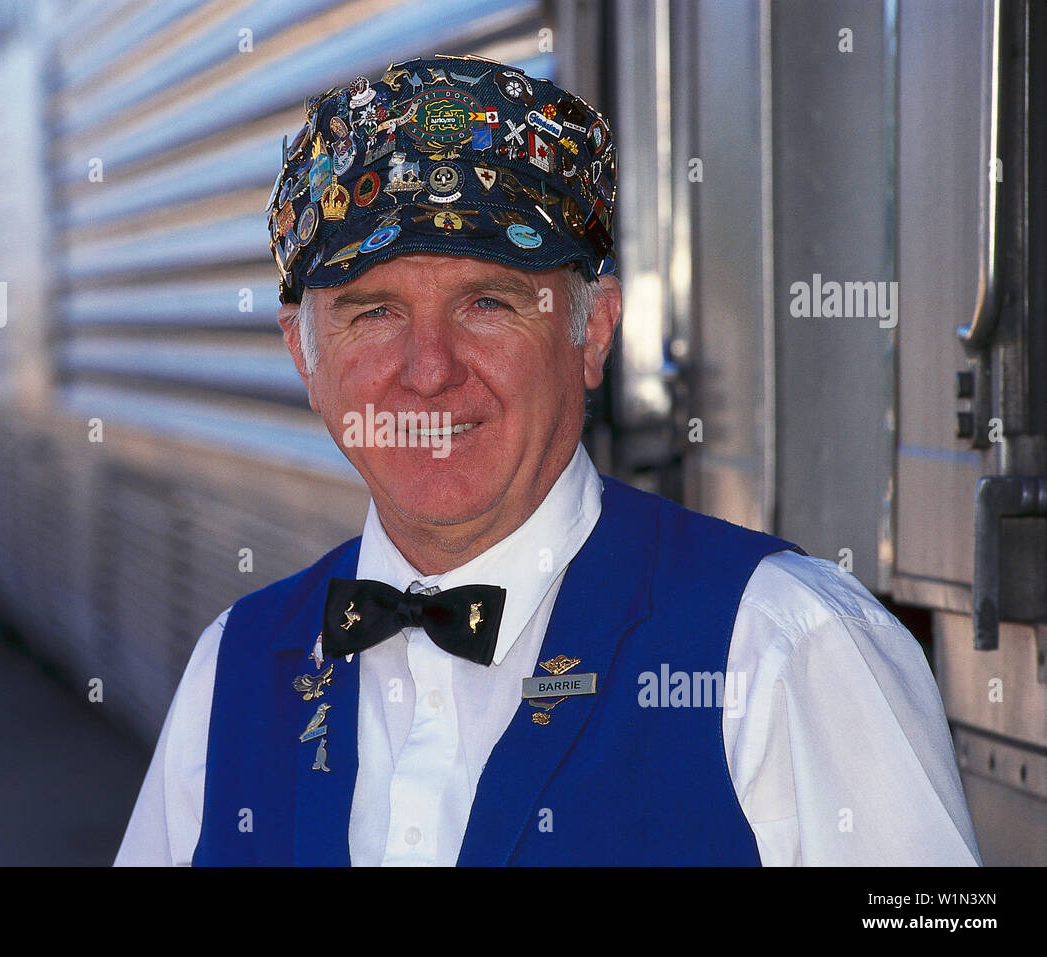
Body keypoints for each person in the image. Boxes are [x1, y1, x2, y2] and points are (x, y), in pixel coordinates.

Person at [115, 54, 981, 866]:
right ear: (304, 353)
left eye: (487, 302)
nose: (428, 371)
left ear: (592, 330)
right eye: (372, 312)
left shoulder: (789, 648)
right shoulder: (232, 671)